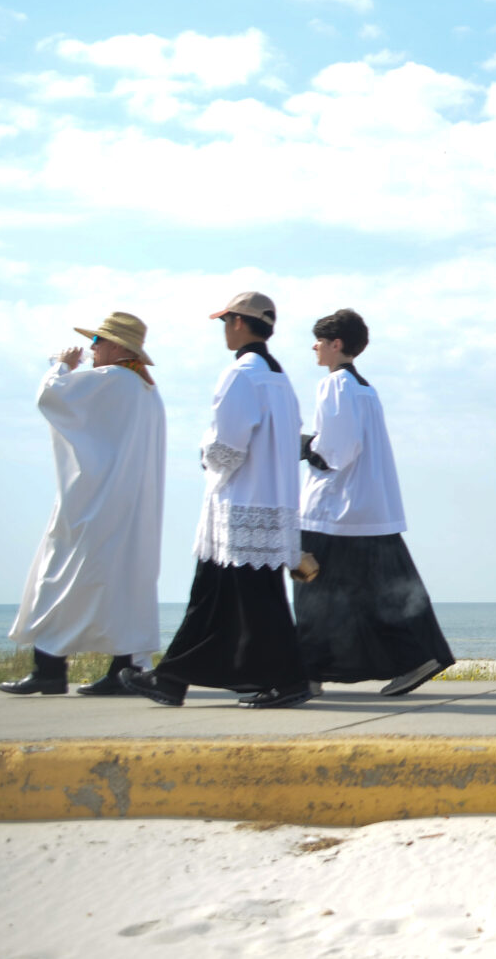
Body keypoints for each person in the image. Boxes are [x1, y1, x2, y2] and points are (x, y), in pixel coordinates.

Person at [125, 292, 311, 709]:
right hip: (269, 502)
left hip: (240, 502)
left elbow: (228, 446)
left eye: (227, 321)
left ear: (240, 323)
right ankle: (172, 678)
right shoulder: (280, 379)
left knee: (254, 599)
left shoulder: (241, 375)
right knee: (214, 596)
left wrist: (205, 454)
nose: (225, 330)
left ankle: (289, 680)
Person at [1, 312, 167, 697]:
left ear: (118, 347)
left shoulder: (111, 380)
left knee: (56, 576)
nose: (92, 348)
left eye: (98, 341)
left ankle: (49, 669)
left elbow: (52, 396)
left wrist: (61, 363)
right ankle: (123, 669)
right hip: (133, 510)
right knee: (123, 586)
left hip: (94, 505)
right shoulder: (146, 389)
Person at [292, 308, 455, 696]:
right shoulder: (366, 389)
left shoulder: (334, 386)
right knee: (388, 591)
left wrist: (301, 445)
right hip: (371, 509)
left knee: (314, 592)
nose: (313, 347)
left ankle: (310, 673)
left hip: (333, 511)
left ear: (337, 345)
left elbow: (335, 451)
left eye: (319, 340)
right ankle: (419, 656)